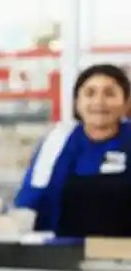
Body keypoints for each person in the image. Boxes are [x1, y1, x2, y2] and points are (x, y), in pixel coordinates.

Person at [14, 63, 131, 233]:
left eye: (110, 94)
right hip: (61, 251)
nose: (99, 102)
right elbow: (31, 197)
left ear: (126, 102)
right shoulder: (57, 141)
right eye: (90, 93)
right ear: (77, 102)